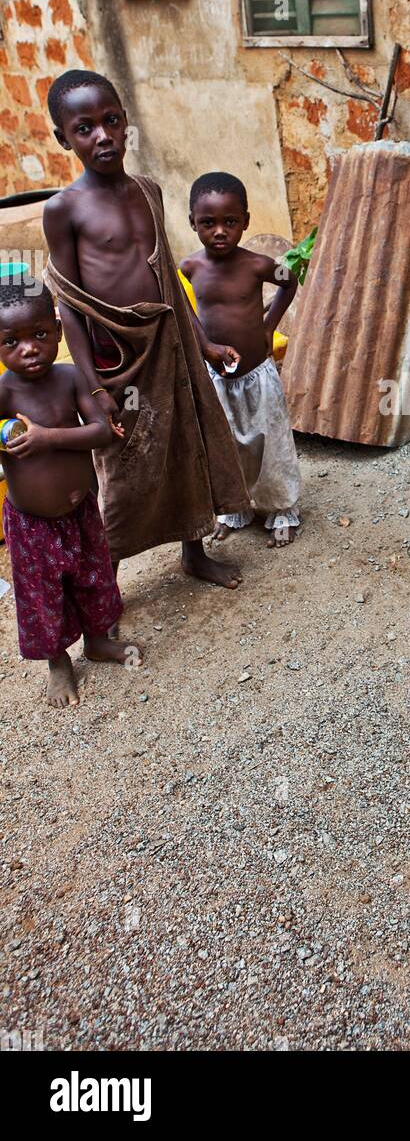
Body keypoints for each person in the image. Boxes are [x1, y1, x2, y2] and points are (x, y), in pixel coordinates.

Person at [41, 70, 250, 587]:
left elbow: (170, 284)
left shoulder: (149, 190)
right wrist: (92, 387)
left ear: (126, 121)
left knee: (187, 444)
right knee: (125, 469)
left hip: (172, 348)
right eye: (84, 128)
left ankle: (194, 552)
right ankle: (106, 584)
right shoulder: (63, 209)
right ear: (62, 137)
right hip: (116, 358)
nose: (103, 136)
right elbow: (68, 304)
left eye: (111, 121)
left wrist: (202, 341)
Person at [0, 279, 142, 707]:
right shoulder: (3, 393)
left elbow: (101, 432)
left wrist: (46, 439)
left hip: (81, 510)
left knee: (94, 578)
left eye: (39, 334)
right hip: (30, 523)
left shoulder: (70, 378)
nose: (29, 348)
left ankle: (98, 642)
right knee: (44, 596)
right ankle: (58, 663)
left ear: (58, 331)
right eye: (12, 341)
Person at [181, 172, 301, 547]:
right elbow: (181, 303)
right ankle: (236, 508)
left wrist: (269, 326)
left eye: (230, 222)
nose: (219, 231)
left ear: (245, 222)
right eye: (208, 223)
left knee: (272, 442)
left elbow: (290, 279)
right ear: (193, 223)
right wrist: (203, 344)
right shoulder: (190, 268)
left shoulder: (258, 265)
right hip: (217, 378)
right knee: (227, 444)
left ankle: (282, 509)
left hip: (258, 374)